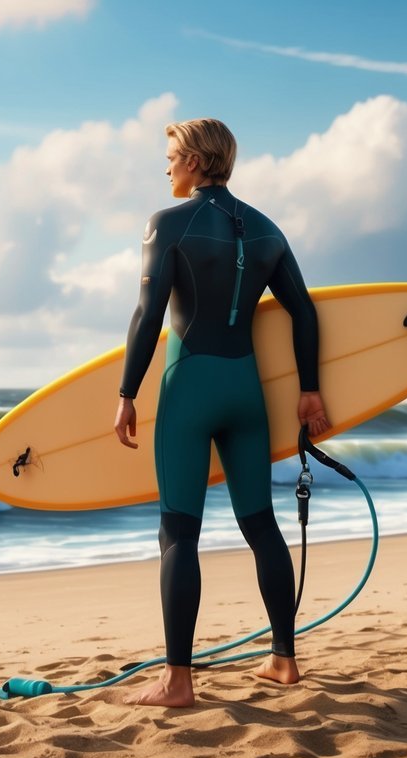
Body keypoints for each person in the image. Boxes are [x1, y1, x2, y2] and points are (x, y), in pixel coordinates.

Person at [113, 118, 331, 707]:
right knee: (261, 525)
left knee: (179, 532)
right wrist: (310, 390)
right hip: (247, 393)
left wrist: (127, 392)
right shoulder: (265, 229)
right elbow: (304, 312)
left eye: (170, 157)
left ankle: (177, 681)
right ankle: (284, 661)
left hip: (189, 390)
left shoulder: (169, 224)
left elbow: (148, 315)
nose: (165, 169)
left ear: (192, 159)